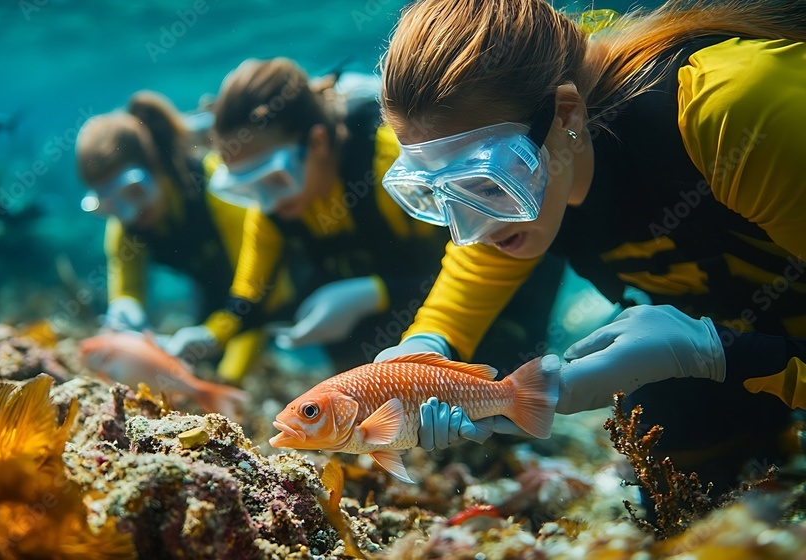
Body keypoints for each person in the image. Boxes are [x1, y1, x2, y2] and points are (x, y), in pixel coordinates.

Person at [374, 0, 806, 487]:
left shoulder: (736, 109)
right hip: (759, 333)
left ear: (568, 113)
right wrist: (418, 352)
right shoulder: (541, 164)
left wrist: (716, 354)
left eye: (487, 183)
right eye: (437, 192)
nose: (469, 230)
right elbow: (469, 279)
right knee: (672, 449)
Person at [164, 58, 451, 370]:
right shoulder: (269, 208)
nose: (266, 202)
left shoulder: (389, 165)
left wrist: (376, 293)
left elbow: (470, 256)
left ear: (318, 142)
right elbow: (249, 299)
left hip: (452, 325)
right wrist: (210, 335)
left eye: (273, 179)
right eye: (245, 188)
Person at [75, 90, 279, 381]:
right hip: (214, 294)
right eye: (109, 205)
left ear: (157, 165)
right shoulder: (125, 225)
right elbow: (126, 289)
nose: (129, 213)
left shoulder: (218, 191)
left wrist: (229, 376)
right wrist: (124, 307)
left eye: (134, 191)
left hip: (275, 287)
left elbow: (262, 292)